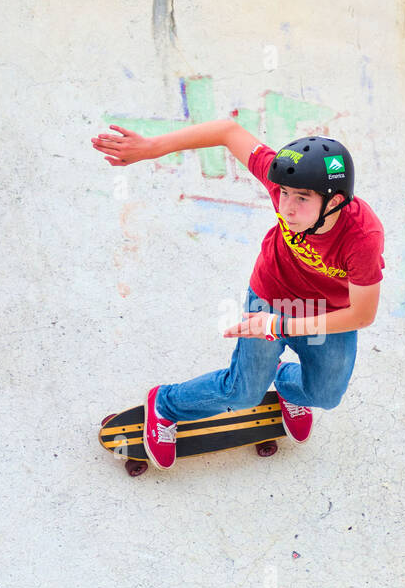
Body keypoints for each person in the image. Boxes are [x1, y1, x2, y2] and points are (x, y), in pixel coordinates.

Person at [91, 116, 385, 470]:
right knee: (243, 393)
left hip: (328, 312)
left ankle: (287, 385)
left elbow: (362, 314)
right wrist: (154, 147)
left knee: (325, 395)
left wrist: (280, 327)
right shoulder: (287, 185)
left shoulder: (362, 239)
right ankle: (165, 404)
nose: (286, 207)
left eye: (302, 199)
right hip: (271, 294)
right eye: (284, 194)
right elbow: (228, 132)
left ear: (334, 201)